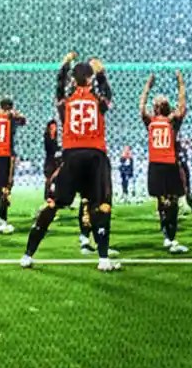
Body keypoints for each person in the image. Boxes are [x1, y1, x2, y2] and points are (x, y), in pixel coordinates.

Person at [21, 52, 120, 272]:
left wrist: (64, 65)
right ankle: (103, 259)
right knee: (100, 205)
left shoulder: (65, 102)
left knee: (53, 204)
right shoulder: (98, 100)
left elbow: (58, 86)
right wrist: (101, 73)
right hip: (95, 155)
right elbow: (108, 95)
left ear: (73, 81)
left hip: (72, 155)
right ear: (90, 79)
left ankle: (28, 254)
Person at [140, 71, 189, 254]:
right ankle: (171, 238)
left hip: (156, 165)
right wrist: (180, 83)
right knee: (172, 201)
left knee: (162, 201)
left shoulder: (151, 121)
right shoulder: (172, 121)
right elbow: (182, 106)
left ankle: (167, 237)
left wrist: (147, 87)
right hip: (169, 164)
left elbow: (141, 108)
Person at [0, 98, 26, 234]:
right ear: (9, 107)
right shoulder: (10, 117)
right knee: (5, 187)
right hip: (5, 155)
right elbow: (23, 121)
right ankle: (3, 221)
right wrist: (16, 114)